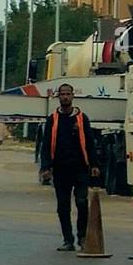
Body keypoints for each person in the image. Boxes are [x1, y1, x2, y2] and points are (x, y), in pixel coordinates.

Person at [39, 84, 100, 251]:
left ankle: (82, 237)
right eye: (62, 94)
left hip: (80, 168)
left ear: (73, 96)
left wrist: (94, 164)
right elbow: (46, 145)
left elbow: (89, 142)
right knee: (63, 207)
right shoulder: (53, 119)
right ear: (58, 97)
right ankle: (68, 240)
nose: (65, 97)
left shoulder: (82, 118)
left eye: (68, 94)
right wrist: (45, 167)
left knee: (82, 202)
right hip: (60, 169)